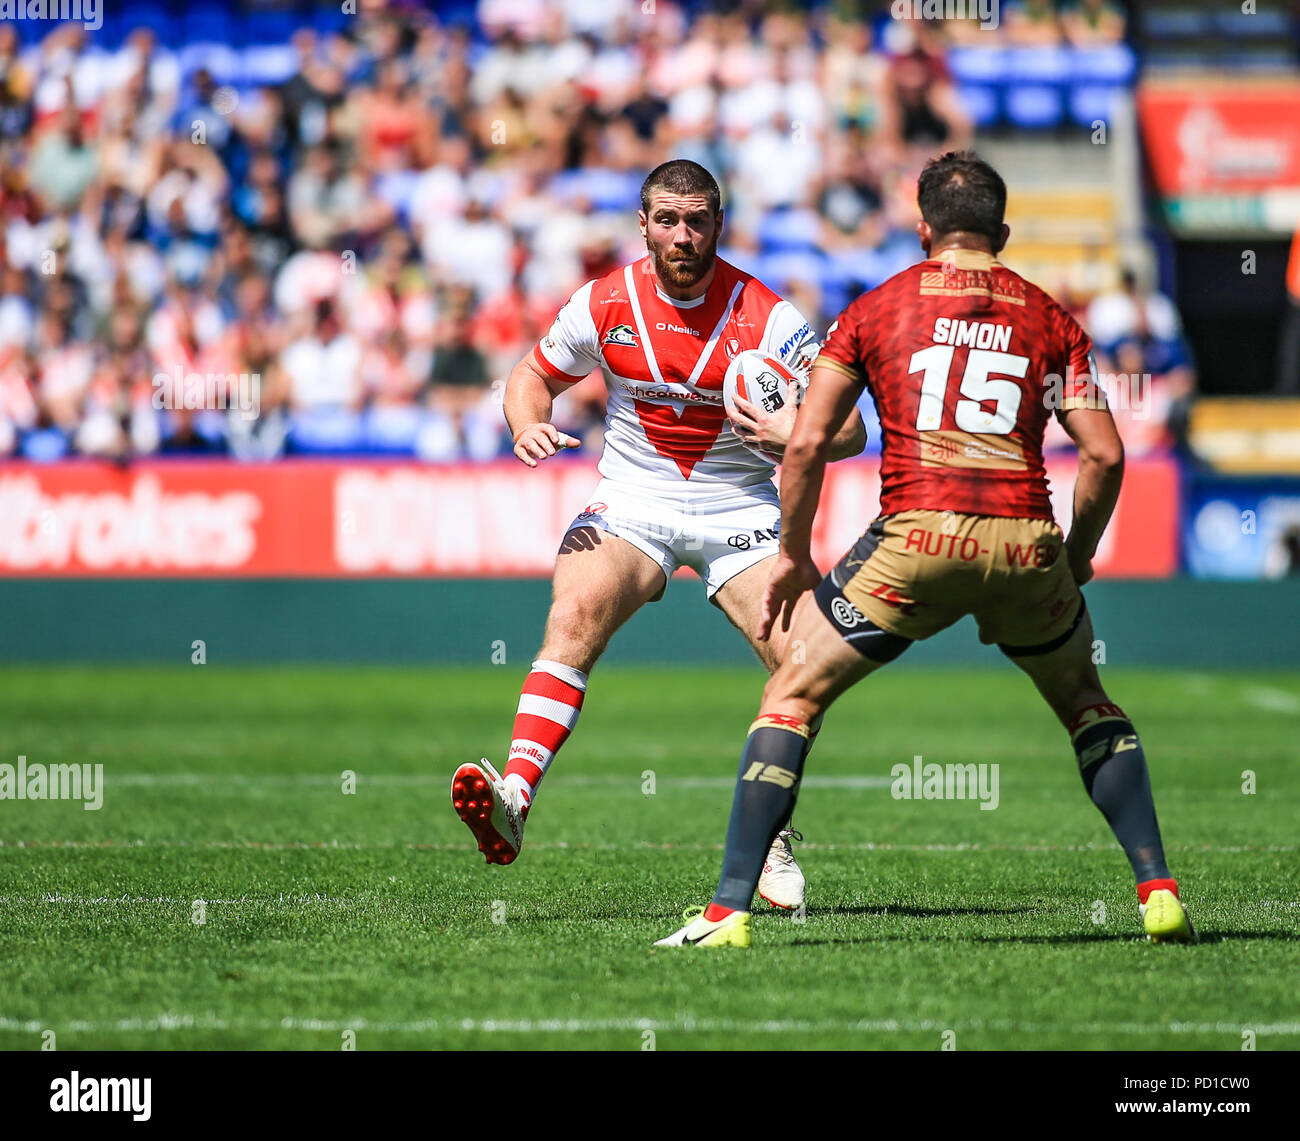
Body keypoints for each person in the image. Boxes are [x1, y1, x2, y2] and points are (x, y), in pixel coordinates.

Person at [658, 151, 1194, 948]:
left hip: (916, 539)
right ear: (1001, 233)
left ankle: (727, 913)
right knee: (1086, 699)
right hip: (1024, 541)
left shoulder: (878, 307)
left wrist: (795, 555)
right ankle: (1158, 890)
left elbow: (806, 443)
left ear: (921, 229)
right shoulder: (1049, 315)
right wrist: (1076, 554)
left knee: (793, 694)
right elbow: (1107, 455)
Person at [450, 159, 866, 912]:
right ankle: (513, 797)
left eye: (697, 220)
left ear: (719, 224)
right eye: (667, 220)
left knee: (800, 663)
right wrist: (526, 423)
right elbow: (529, 376)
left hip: (739, 504)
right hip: (633, 498)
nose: (683, 235)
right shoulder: (603, 302)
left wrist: (792, 429)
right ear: (642, 225)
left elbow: (851, 429)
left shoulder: (767, 317)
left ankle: (771, 834)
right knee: (573, 613)